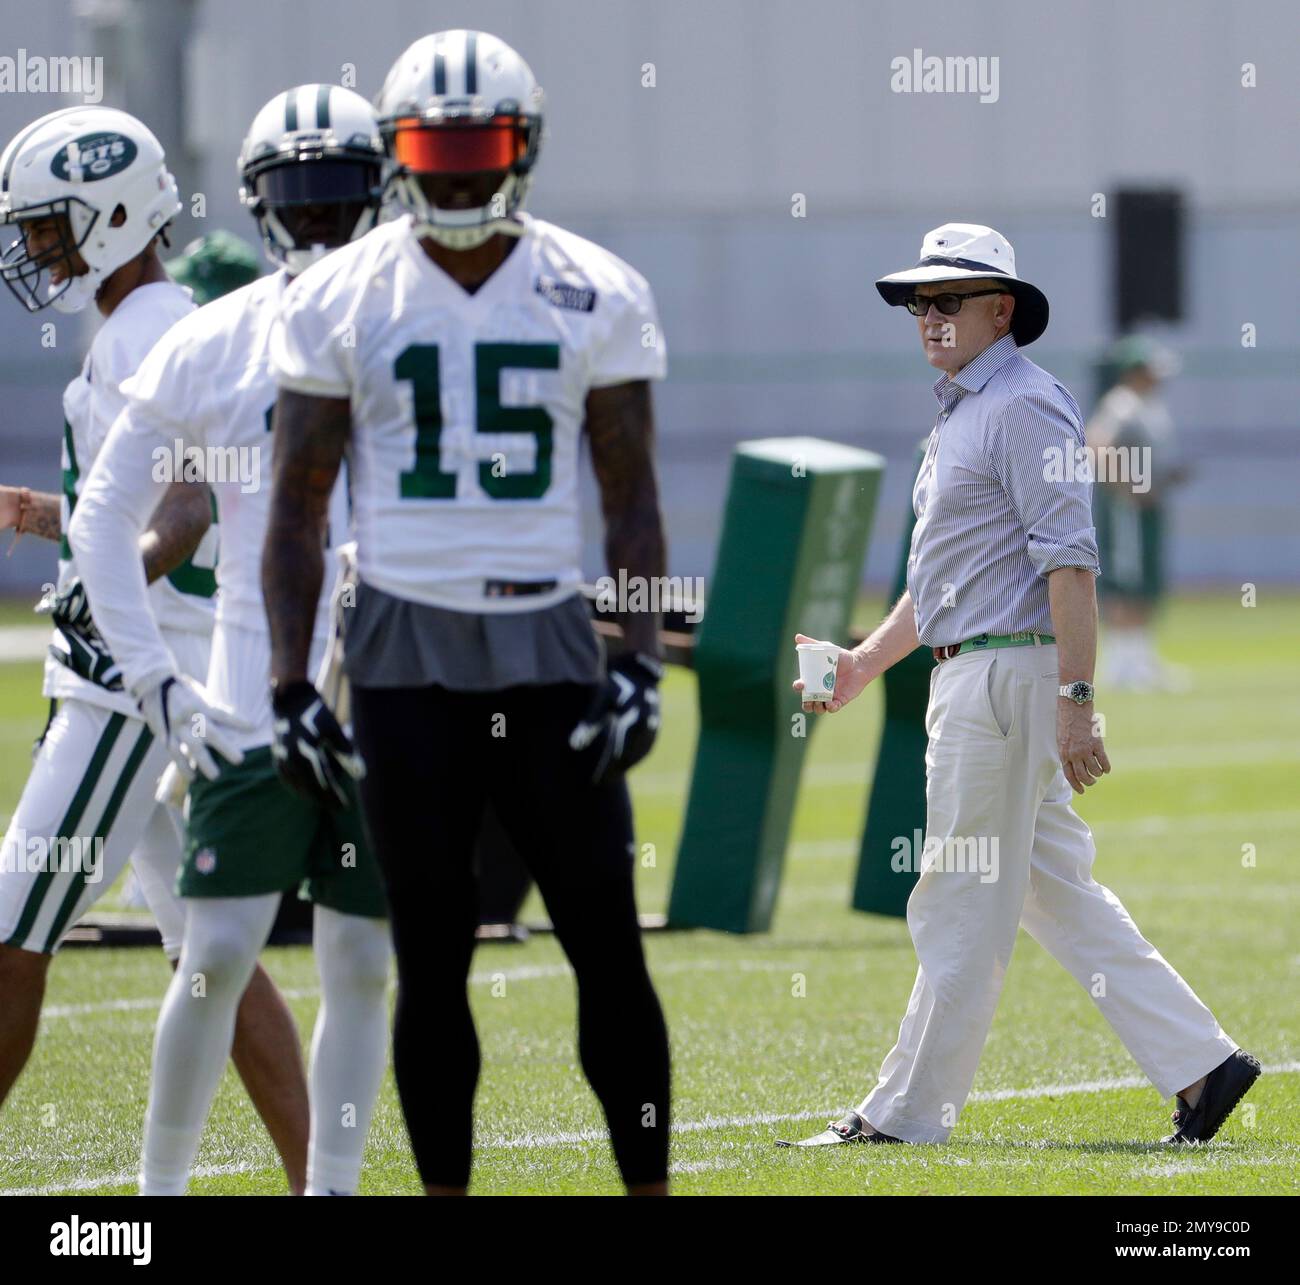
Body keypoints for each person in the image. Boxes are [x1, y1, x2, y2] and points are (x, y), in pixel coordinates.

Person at [263, 31, 672, 1194]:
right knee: (430, 960)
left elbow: (630, 497)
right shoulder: (341, 293)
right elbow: (295, 508)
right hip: (402, 649)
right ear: (394, 155)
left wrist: (637, 658)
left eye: (478, 148)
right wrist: (290, 685)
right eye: (431, 152)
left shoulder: (593, 287)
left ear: (522, 148)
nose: (453, 177)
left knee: (608, 948)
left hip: (548, 643)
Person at [781, 224, 1258, 1149]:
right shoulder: (965, 410)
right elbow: (945, 578)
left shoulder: (1024, 405)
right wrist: (862, 663)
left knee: (957, 896)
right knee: (1049, 890)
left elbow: (1071, 563)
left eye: (948, 299)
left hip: (1003, 680)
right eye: (920, 300)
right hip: (982, 671)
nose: (929, 315)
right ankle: (1205, 1066)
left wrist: (1079, 702)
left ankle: (903, 1115)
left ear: (1003, 309)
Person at [68, 86, 391, 1196]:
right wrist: (157, 682)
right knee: (209, 962)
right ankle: (156, 1202)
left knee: (359, 961)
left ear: (379, 191)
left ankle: (331, 1192)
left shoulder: (425, 336)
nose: (313, 216)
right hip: (249, 696)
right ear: (257, 203)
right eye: (293, 194)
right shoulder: (215, 338)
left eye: (335, 191)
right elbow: (100, 519)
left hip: (382, 699)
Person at [0, 105, 311, 1190]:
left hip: (130, 685)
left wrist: (108, 572)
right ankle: (322, 1175)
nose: (34, 249)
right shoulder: (150, 323)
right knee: (213, 957)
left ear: (112, 214)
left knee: (12, 925)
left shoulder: (151, 333)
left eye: (48, 227)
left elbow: (181, 508)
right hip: (155, 666)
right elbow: (137, 501)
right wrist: (50, 516)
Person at [1087, 335, 1188, 690]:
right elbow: (1097, 445)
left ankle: (1141, 656)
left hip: (1151, 506)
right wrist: (1127, 488)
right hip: (1127, 508)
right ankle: (1122, 661)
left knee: (1147, 578)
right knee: (1125, 579)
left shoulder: (1149, 406)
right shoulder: (1121, 404)